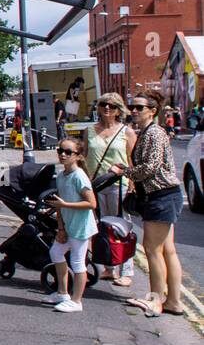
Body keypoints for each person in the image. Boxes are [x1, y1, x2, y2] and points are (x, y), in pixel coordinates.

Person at [111, 90, 186, 317]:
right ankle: (173, 301)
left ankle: (155, 300)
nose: (134, 111)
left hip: (160, 196)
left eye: (139, 107)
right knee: (168, 251)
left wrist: (124, 171)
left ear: (153, 111)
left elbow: (150, 168)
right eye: (132, 107)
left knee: (153, 250)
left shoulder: (154, 133)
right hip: (166, 195)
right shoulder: (149, 132)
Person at [83, 92, 137, 288]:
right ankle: (109, 268)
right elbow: (84, 157)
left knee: (121, 227)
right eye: (103, 104)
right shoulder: (89, 131)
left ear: (118, 110)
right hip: (96, 185)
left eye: (112, 106)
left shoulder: (127, 132)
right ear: (97, 107)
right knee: (102, 228)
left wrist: (132, 183)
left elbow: (132, 160)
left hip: (118, 185)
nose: (107, 108)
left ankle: (127, 270)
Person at [45, 137, 98, 313]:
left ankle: (77, 301)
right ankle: (62, 293)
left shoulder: (79, 176)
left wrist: (65, 205)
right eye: (60, 151)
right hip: (68, 225)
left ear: (78, 156)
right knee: (56, 252)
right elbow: (59, 205)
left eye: (68, 152)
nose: (63, 155)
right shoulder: (61, 176)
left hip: (81, 227)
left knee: (77, 263)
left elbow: (92, 204)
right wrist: (61, 228)